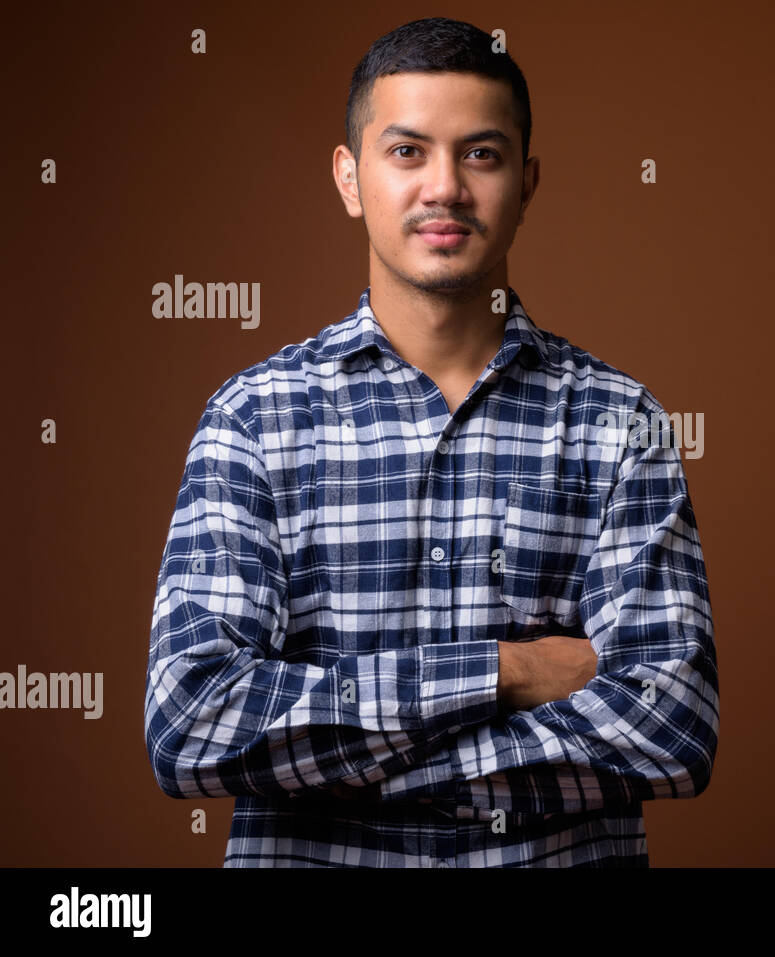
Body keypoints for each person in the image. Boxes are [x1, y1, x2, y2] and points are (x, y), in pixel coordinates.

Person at [144, 16, 719, 867]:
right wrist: (505, 672)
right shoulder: (253, 419)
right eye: (407, 152)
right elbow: (191, 722)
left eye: (480, 155)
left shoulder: (620, 420)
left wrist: (350, 764)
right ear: (350, 177)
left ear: (527, 182)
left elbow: (671, 724)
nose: (444, 187)